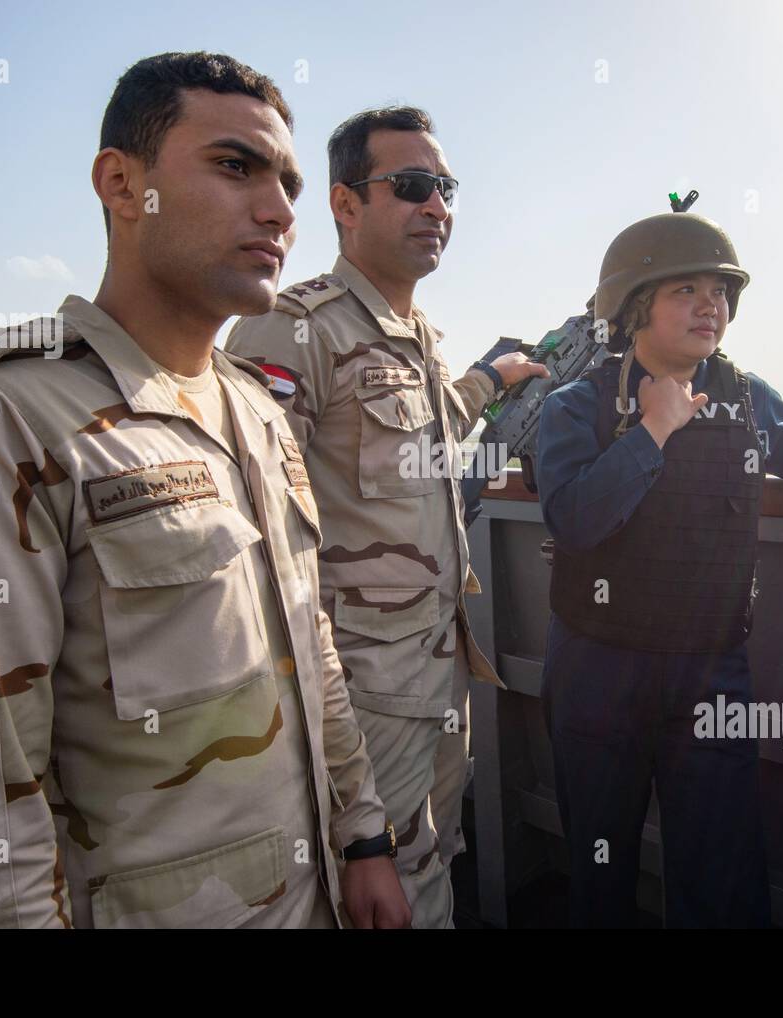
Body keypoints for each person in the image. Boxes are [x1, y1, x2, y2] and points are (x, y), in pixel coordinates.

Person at [0, 51, 409, 929]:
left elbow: (310, 647)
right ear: (122, 185)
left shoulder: (257, 409)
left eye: (287, 181)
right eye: (235, 167)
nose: (279, 209)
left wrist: (363, 838)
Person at [226, 106, 547, 927]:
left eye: (445, 188)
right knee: (384, 889)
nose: (436, 206)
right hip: (360, 691)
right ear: (345, 204)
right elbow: (245, 516)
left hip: (438, 667)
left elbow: (426, 425)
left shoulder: (419, 335)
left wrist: (493, 380)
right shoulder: (294, 325)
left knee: (434, 855)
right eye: (411, 186)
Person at [537, 211, 783, 927]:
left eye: (720, 291)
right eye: (685, 289)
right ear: (635, 305)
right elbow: (575, 519)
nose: (711, 306)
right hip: (598, 670)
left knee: (723, 875)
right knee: (600, 869)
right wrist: (654, 430)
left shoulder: (745, 397)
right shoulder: (576, 406)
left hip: (711, 670)